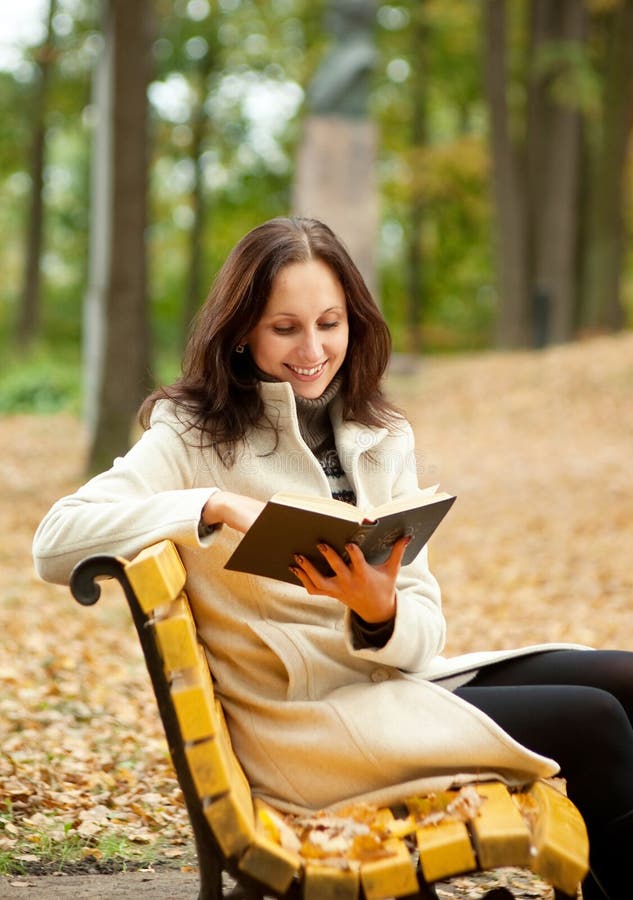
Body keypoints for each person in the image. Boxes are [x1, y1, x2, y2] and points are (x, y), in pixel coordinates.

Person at [33, 216, 633, 899]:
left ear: (355, 322)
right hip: (308, 729)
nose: (313, 348)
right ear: (241, 332)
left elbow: (422, 631)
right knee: (594, 721)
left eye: (329, 322)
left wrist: (378, 612)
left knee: (622, 678)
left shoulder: (379, 435)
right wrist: (211, 507)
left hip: (390, 688)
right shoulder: (191, 437)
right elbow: (56, 538)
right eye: (284, 327)